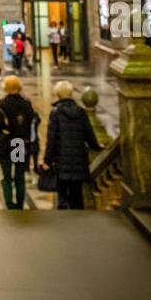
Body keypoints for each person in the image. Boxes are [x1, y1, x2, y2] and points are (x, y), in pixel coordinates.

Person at [42, 80, 100, 209]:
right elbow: (89, 134)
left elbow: (52, 139)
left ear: (57, 95)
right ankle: (78, 222)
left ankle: (63, 222)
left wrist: (47, 160)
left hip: (62, 161)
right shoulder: (81, 112)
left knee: (62, 194)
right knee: (77, 195)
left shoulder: (56, 113)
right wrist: (97, 146)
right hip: (79, 160)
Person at [0, 75, 36, 211]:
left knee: (6, 176)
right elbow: (31, 123)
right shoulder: (26, 103)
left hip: (6, 143)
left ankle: (10, 203)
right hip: (20, 143)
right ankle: (20, 204)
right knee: (19, 175)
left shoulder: (2, 104)